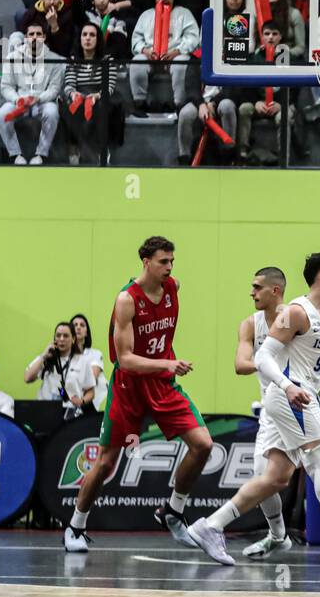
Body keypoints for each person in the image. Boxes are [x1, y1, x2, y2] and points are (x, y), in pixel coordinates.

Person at [188, 252, 320, 565]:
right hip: (288, 395)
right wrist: (288, 386)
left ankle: (211, 526)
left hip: (302, 397)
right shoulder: (296, 312)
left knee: (275, 478)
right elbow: (262, 358)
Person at [64, 236, 215, 553]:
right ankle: (76, 526)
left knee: (203, 444)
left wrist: (165, 367)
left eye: (172, 261)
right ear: (146, 262)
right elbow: (126, 359)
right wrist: (168, 363)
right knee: (106, 463)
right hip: (128, 387)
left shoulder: (173, 287)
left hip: (161, 384)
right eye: (163, 261)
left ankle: (172, 512)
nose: (169, 267)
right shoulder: (127, 300)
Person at [231, 267, 294, 558]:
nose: (251, 292)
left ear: (275, 290)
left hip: (302, 406)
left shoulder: (296, 318)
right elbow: (240, 364)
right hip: (271, 408)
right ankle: (278, 534)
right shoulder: (250, 324)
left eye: (257, 287)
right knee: (261, 475)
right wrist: (267, 362)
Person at [0, 20, 64, 165]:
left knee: (52, 112)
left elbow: (54, 88)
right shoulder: (12, 58)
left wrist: (38, 98)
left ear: (44, 37)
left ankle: (41, 154)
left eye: (38, 34)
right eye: (31, 34)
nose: (34, 37)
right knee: (2, 115)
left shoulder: (54, 59)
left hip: (43, 102)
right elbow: (6, 86)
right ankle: (15, 155)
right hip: (19, 101)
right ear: (25, 38)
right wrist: (18, 100)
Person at [61, 22, 124, 165]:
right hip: (79, 95)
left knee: (102, 107)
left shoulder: (107, 60)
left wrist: (97, 95)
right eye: (84, 35)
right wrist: (73, 94)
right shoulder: (72, 60)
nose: (88, 38)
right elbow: (69, 85)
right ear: (80, 39)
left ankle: (102, 150)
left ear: (98, 39)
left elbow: (110, 85)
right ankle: (73, 151)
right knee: (68, 107)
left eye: (92, 35)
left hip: (99, 95)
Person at [24, 321, 94, 417]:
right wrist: (44, 356)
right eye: (58, 335)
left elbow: (91, 391)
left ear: (73, 339)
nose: (61, 339)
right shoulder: (46, 358)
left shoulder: (82, 361)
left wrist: (82, 401)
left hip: (70, 413)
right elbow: (27, 378)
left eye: (65, 336)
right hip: (45, 411)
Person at [70, 314, 109, 411]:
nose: (78, 327)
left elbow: (90, 380)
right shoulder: (63, 357)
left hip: (94, 407)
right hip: (69, 407)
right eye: (75, 325)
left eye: (82, 325)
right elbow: (61, 385)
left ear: (86, 333)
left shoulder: (95, 354)